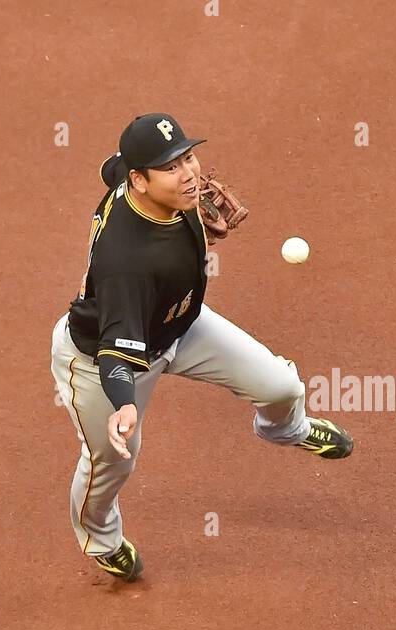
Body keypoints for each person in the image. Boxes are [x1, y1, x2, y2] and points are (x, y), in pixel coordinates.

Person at [49, 113, 354, 582]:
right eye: (171, 168)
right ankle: (101, 539)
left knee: (280, 385)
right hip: (103, 361)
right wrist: (125, 405)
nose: (190, 174)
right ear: (141, 181)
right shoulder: (127, 261)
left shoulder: (131, 182)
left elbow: (110, 167)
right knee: (110, 462)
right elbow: (115, 350)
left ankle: (285, 429)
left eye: (188, 157)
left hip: (181, 325)